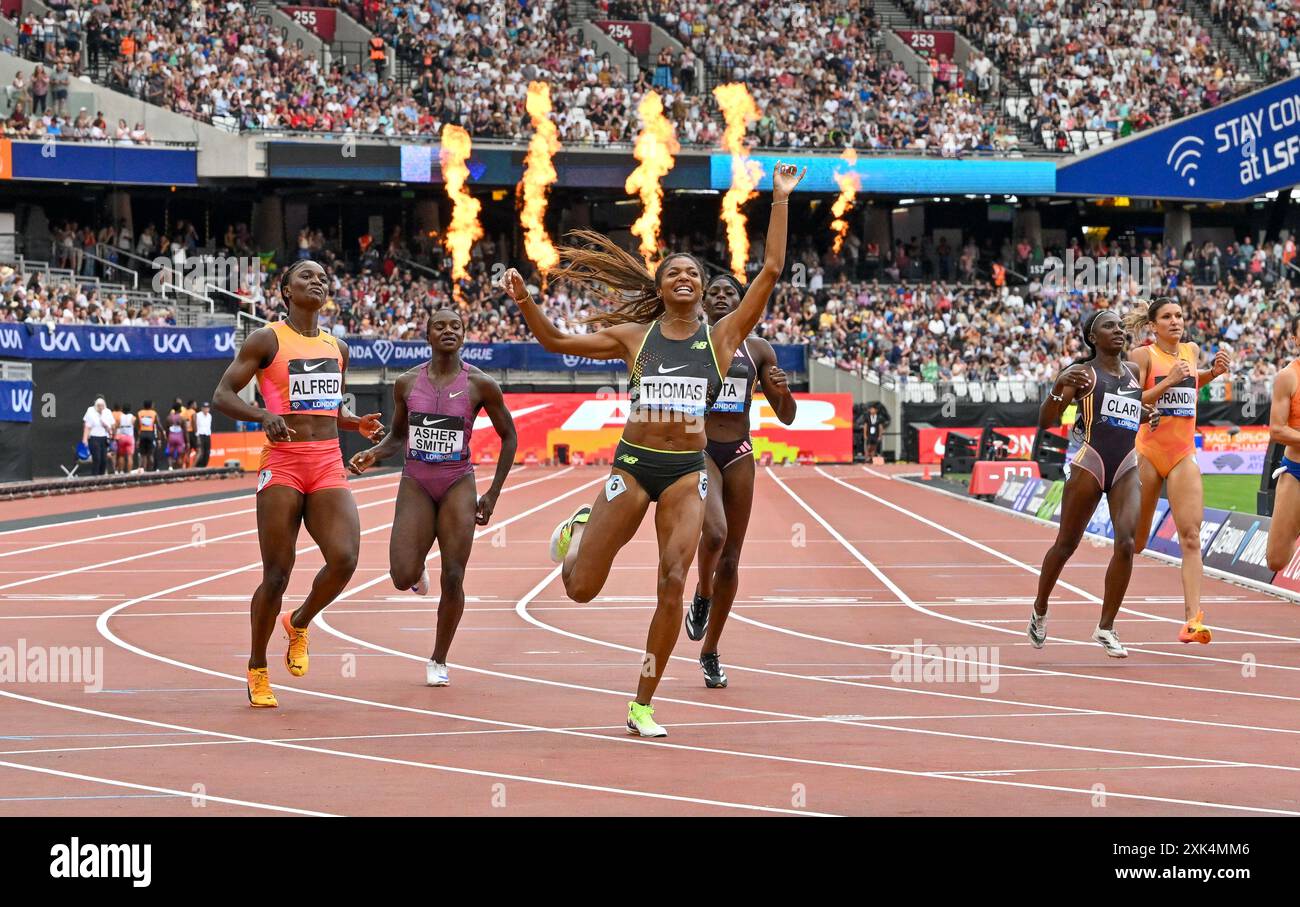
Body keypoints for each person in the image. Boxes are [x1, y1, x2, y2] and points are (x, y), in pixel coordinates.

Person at [500, 162, 805, 737]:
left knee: (673, 580)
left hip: (688, 473)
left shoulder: (723, 338)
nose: (687, 277)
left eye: (694, 272)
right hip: (635, 467)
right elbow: (557, 339)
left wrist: (781, 198)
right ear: (660, 287)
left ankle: (643, 702)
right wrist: (525, 302)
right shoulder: (634, 337)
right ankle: (583, 528)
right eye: (676, 273)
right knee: (581, 588)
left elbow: (769, 269)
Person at [213, 259, 384, 708]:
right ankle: (257, 667)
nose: (318, 280)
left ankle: (300, 621)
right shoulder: (267, 339)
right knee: (277, 573)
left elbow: (323, 410)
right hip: (284, 464)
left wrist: (354, 424)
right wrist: (263, 415)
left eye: (324, 276)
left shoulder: (338, 346)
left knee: (345, 558)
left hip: (327, 461)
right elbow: (223, 395)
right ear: (285, 289)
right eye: (306, 275)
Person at [349, 308, 518, 686]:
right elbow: (396, 436)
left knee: (454, 576)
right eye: (439, 326)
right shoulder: (406, 383)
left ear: (464, 334)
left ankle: (438, 659)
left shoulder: (482, 384)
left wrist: (493, 493)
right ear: (427, 335)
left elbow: (510, 437)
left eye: (455, 326)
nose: (448, 331)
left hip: (458, 481)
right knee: (400, 574)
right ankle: (416, 570)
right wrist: (373, 454)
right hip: (416, 481)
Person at [684, 273, 797, 688]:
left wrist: (783, 393)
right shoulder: (693, 343)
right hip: (700, 450)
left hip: (739, 453)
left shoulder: (758, 349)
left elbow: (786, 415)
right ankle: (702, 593)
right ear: (702, 301)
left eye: (730, 292)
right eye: (712, 292)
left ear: (743, 300)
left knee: (731, 558)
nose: (720, 297)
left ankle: (710, 650)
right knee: (713, 534)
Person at [1029, 310, 1159, 658]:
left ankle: (1106, 626)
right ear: (1092, 337)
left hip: (1126, 465)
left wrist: (1148, 414)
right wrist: (1058, 387)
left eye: (1119, 325)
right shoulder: (1082, 375)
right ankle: (1040, 607)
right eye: (1108, 326)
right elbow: (1046, 420)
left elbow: (1128, 407)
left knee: (1127, 542)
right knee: (1066, 544)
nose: (1118, 330)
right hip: (1091, 463)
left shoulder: (1133, 372)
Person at [1126, 298, 1231, 644]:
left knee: (1190, 536)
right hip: (1149, 453)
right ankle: (1109, 615)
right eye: (1167, 317)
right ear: (1153, 326)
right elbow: (1130, 402)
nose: (1175, 321)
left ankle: (1192, 620)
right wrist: (1167, 380)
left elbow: (1190, 383)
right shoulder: (1142, 357)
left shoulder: (1192, 350)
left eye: (1179, 316)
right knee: (1136, 541)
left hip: (1183, 452)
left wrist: (1211, 374)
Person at [1267, 319, 1300, 573]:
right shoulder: (1288, 376)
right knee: (1276, 559)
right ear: (1295, 339)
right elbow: (1277, 430)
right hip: (1296, 469)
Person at [80, 397, 114, 476]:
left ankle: (101, 477)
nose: (100, 407)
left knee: (104, 460)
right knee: (97, 458)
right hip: (94, 438)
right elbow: (87, 426)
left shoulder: (107, 412)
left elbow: (112, 427)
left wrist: (107, 427)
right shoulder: (91, 412)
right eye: (99, 406)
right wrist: (84, 439)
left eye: (102, 406)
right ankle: (95, 477)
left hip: (104, 438)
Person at [136, 400, 158, 471]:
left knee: (143, 455)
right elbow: (158, 423)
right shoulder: (153, 413)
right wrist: (162, 432)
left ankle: (144, 471)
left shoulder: (139, 413)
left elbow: (137, 425)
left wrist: (138, 436)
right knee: (150, 454)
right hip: (150, 434)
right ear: (151, 405)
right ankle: (151, 470)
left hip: (142, 433)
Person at [114, 402, 136, 473]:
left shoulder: (120, 417)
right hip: (130, 437)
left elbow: (116, 426)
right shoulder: (133, 418)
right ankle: (129, 472)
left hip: (121, 437)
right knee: (130, 456)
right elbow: (136, 425)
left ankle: (121, 471)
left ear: (122, 409)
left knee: (121, 455)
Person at [163, 405, 186, 469]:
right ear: (179, 410)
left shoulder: (169, 418)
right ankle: (179, 470)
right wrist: (187, 441)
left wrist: (167, 437)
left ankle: (170, 467)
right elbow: (185, 430)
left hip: (171, 436)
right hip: (179, 437)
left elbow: (166, 429)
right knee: (179, 455)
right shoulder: (182, 418)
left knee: (170, 454)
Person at [194, 401, 213, 467]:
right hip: (200, 434)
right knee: (200, 452)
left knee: (207, 451)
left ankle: (204, 466)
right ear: (202, 408)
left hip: (207, 435)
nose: (206, 409)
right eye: (204, 408)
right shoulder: (198, 415)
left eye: (207, 408)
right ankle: (198, 466)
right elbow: (195, 425)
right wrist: (197, 435)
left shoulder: (210, 416)